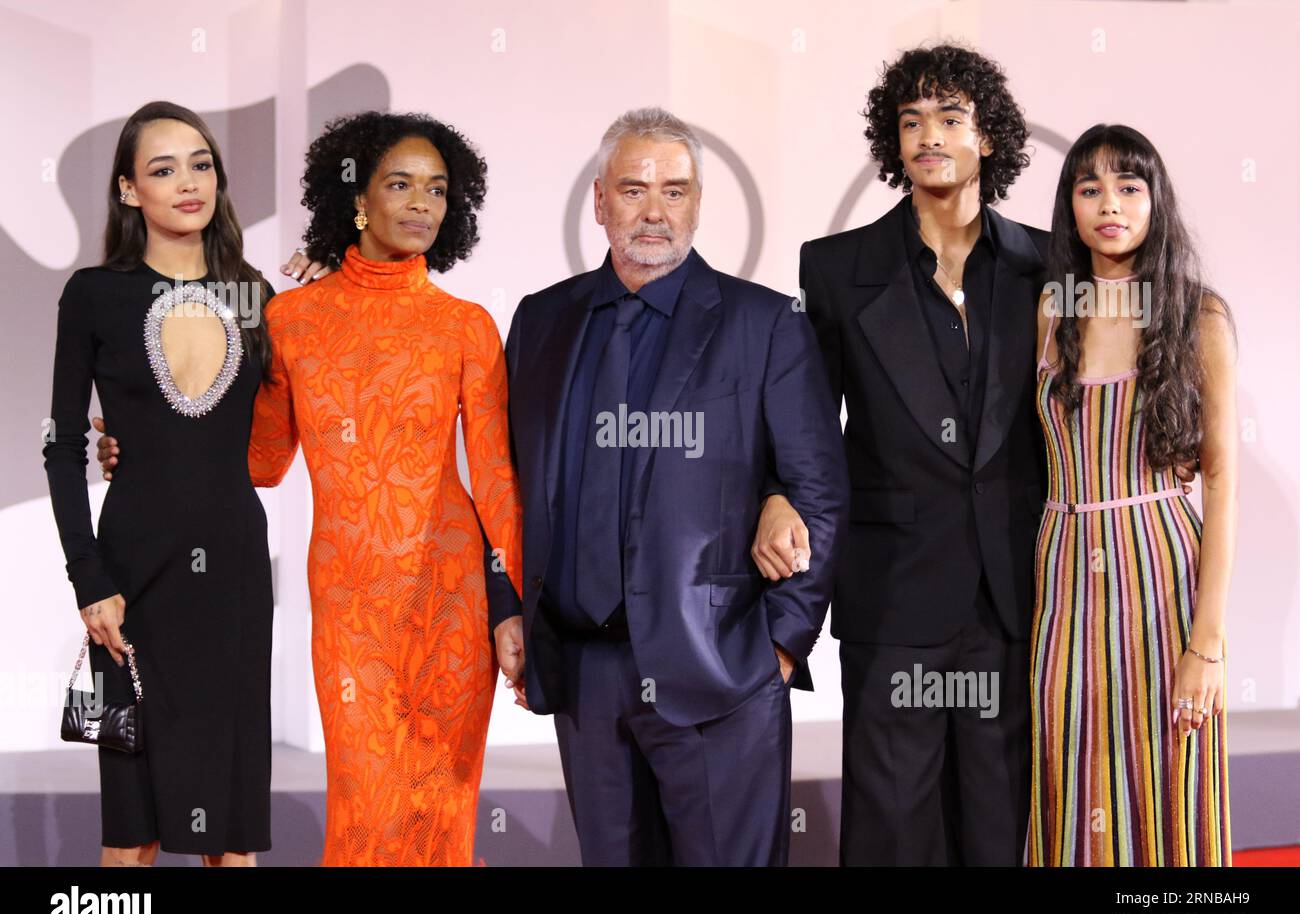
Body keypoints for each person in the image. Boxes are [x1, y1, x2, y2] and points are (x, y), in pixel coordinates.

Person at [99, 111, 524, 867]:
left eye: (437, 189)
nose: (423, 202)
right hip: (351, 603)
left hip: (450, 601)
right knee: (366, 801)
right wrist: (136, 438)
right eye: (401, 184)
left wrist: (517, 610)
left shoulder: (467, 326)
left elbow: (495, 481)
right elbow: (259, 462)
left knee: (442, 804)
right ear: (357, 198)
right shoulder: (291, 319)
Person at [499, 107, 848, 866]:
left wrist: (780, 649)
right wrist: (510, 608)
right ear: (599, 202)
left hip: (720, 671)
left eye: (676, 190)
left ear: (697, 202)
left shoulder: (765, 323)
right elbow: (509, 485)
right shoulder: (540, 322)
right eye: (634, 189)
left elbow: (818, 486)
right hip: (586, 677)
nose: (655, 210)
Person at [753, 44, 1050, 865]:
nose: (929, 135)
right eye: (911, 121)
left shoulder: (1047, 265)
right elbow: (805, 421)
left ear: (988, 137)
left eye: (950, 118)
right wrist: (777, 493)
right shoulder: (838, 268)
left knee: (1000, 825)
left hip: (1013, 592)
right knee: (892, 829)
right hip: (893, 592)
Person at [44, 101, 276, 866]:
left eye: (201, 164)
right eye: (163, 169)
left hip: (234, 578)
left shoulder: (258, 297)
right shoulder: (93, 295)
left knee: (231, 839)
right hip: (131, 577)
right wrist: (89, 579)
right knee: (130, 832)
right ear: (127, 190)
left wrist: (320, 287)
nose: (188, 183)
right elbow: (65, 445)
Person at [1028, 124, 1235, 866]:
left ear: (1156, 201)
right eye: (1090, 188)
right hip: (1060, 580)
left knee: (1165, 779)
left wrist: (1205, 646)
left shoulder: (1197, 315)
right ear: (1070, 206)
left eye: (1128, 186)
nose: (1109, 204)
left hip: (1161, 576)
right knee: (1067, 770)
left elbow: (1220, 484)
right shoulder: (1051, 309)